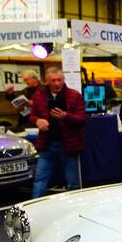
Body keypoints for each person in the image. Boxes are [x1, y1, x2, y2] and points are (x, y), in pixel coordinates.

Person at [30, 67, 86, 197]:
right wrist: (38, 121)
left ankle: (74, 209)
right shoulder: (39, 95)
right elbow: (32, 116)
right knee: (40, 180)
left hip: (68, 145)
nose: (56, 83)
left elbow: (82, 119)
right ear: (46, 81)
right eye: (53, 80)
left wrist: (66, 116)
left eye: (59, 80)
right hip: (46, 144)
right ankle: (35, 208)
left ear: (63, 79)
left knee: (73, 182)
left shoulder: (74, 95)